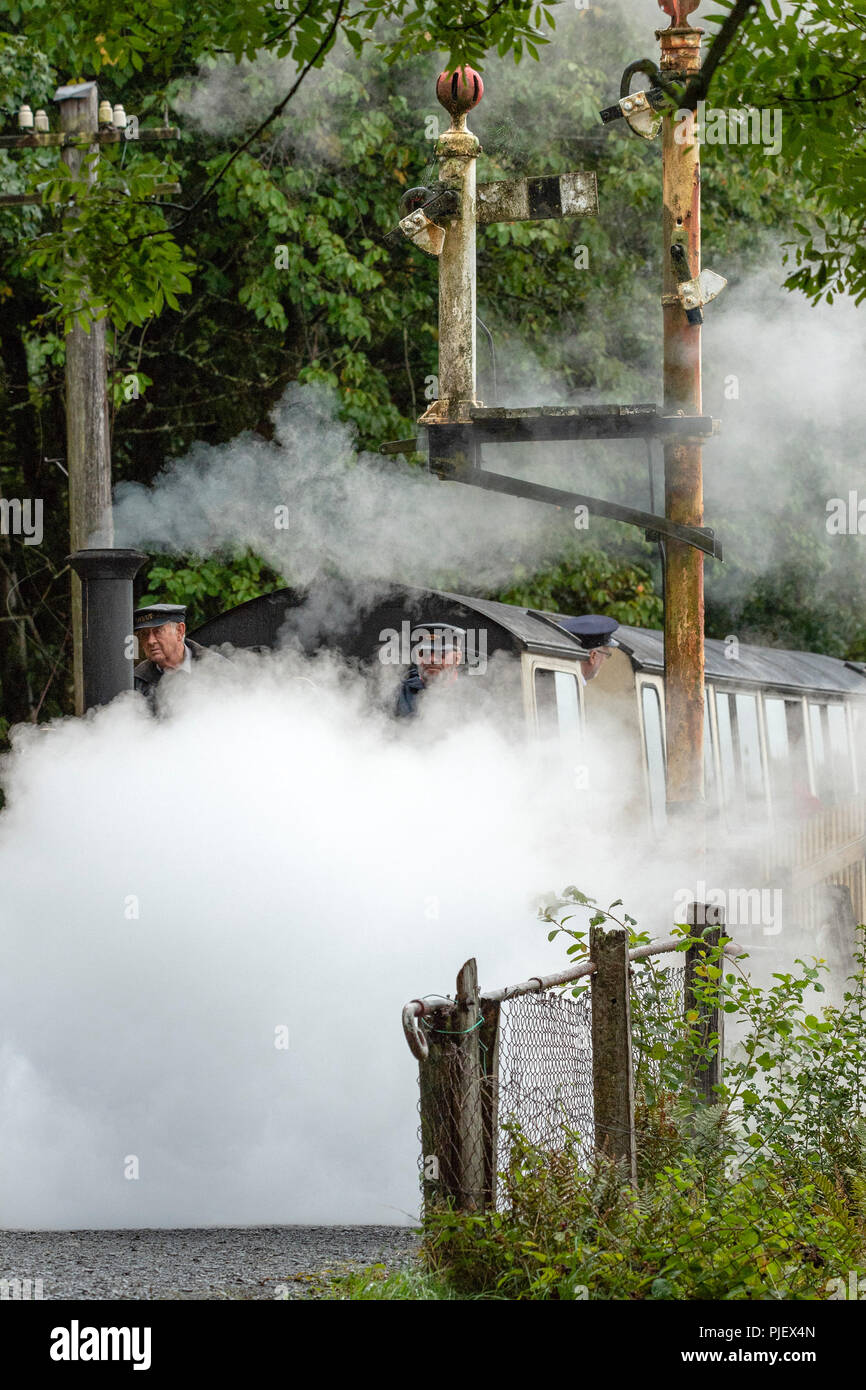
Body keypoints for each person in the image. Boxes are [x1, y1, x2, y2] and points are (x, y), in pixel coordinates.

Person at [133, 604, 227, 703]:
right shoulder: (137, 680)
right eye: (144, 634)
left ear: (179, 631)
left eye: (158, 631)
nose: (150, 641)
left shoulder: (217, 668)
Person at [395, 623, 464, 718]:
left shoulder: (472, 696)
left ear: (457, 659)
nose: (432, 659)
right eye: (425, 652)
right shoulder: (398, 694)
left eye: (441, 653)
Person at [556, 614, 620, 685]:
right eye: (606, 655)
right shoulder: (570, 686)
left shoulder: (559, 679)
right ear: (593, 656)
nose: (603, 661)